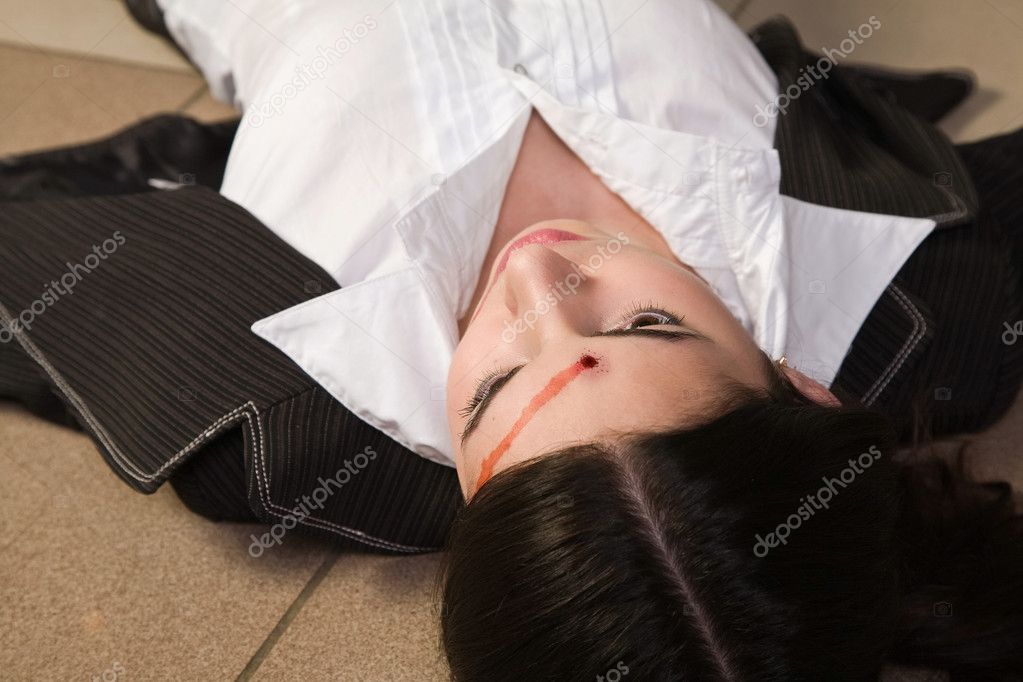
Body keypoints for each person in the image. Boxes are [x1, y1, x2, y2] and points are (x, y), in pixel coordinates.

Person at [2, 0, 1021, 678]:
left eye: (491, 389)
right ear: (800, 383)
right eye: (647, 323)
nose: (533, 277)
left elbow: (42, 265)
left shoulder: (284, 429)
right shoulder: (932, 306)